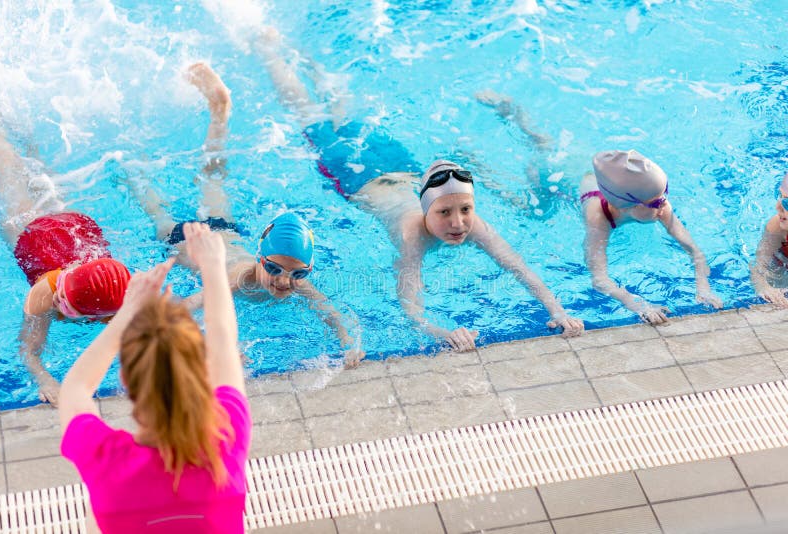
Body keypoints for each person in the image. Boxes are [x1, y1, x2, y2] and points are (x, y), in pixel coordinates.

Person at [253, 27, 584, 351]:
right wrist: (439, 330)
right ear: (426, 209)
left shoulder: (472, 224)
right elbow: (410, 301)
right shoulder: (412, 234)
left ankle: (308, 59)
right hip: (352, 175)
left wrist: (558, 311)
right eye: (444, 213)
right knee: (306, 111)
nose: (458, 223)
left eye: (465, 210)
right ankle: (270, 51)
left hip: (399, 163)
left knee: (345, 109)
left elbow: (518, 266)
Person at [127, 63, 364, 368]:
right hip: (183, 237)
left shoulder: (293, 275)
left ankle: (219, 113)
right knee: (154, 207)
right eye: (275, 269)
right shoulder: (238, 278)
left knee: (214, 175)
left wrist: (347, 343)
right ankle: (130, 167)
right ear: (259, 258)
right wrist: (224, 346)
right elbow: (192, 307)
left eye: (299, 274)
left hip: (223, 228)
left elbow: (330, 312)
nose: (285, 281)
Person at [59, 223, 250, 533]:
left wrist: (127, 311)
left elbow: (76, 388)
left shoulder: (106, 463)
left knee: (94, 517)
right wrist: (214, 266)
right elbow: (223, 340)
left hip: (119, 505)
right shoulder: (226, 439)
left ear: (124, 378)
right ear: (201, 372)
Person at [0, 126, 131, 405]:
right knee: (9, 175)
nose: (56, 298)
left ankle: (27, 137)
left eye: (64, 302)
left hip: (74, 227)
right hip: (34, 236)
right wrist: (45, 378)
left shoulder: (120, 297)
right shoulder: (44, 292)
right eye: (61, 294)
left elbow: (167, 321)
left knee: (44, 179)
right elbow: (28, 349)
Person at [580, 149, 723, 324]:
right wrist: (639, 305)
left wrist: (703, 287)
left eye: (665, 193)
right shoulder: (597, 217)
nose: (664, 203)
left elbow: (695, 252)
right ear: (627, 207)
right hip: (571, 180)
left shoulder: (657, 203)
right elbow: (599, 279)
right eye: (657, 202)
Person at [750, 172, 788, 308]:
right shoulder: (777, 226)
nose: (778, 207)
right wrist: (764, 286)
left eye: (787, 203)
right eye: (780, 198)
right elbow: (759, 266)